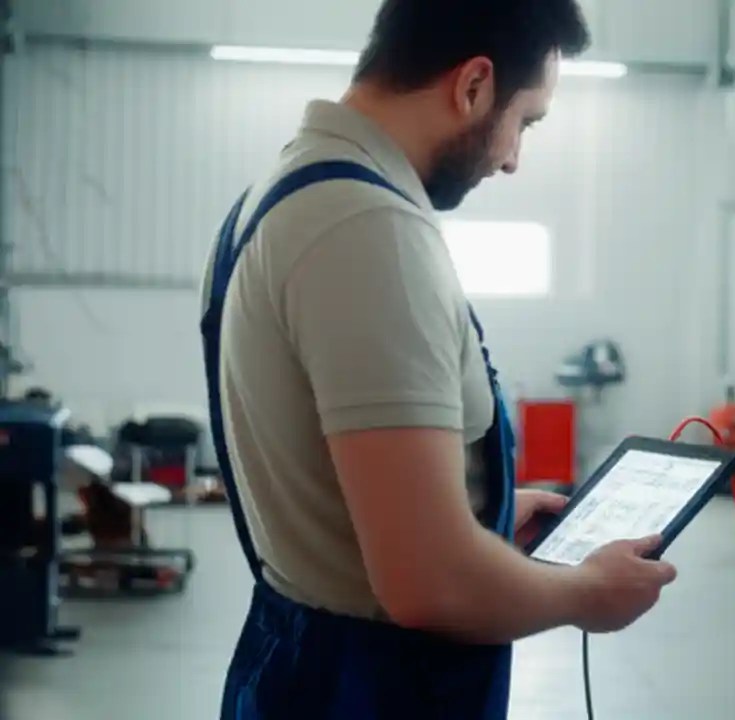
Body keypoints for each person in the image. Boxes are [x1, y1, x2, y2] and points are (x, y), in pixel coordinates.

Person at [199, 1, 679, 717]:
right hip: (370, 689)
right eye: (527, 121)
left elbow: (328, 494)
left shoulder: (275, 195)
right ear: (474, 86)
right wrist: (587, 594)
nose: (514, 157)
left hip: (302, 661)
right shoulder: (368, 229)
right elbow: (429, 583)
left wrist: (479, 515)